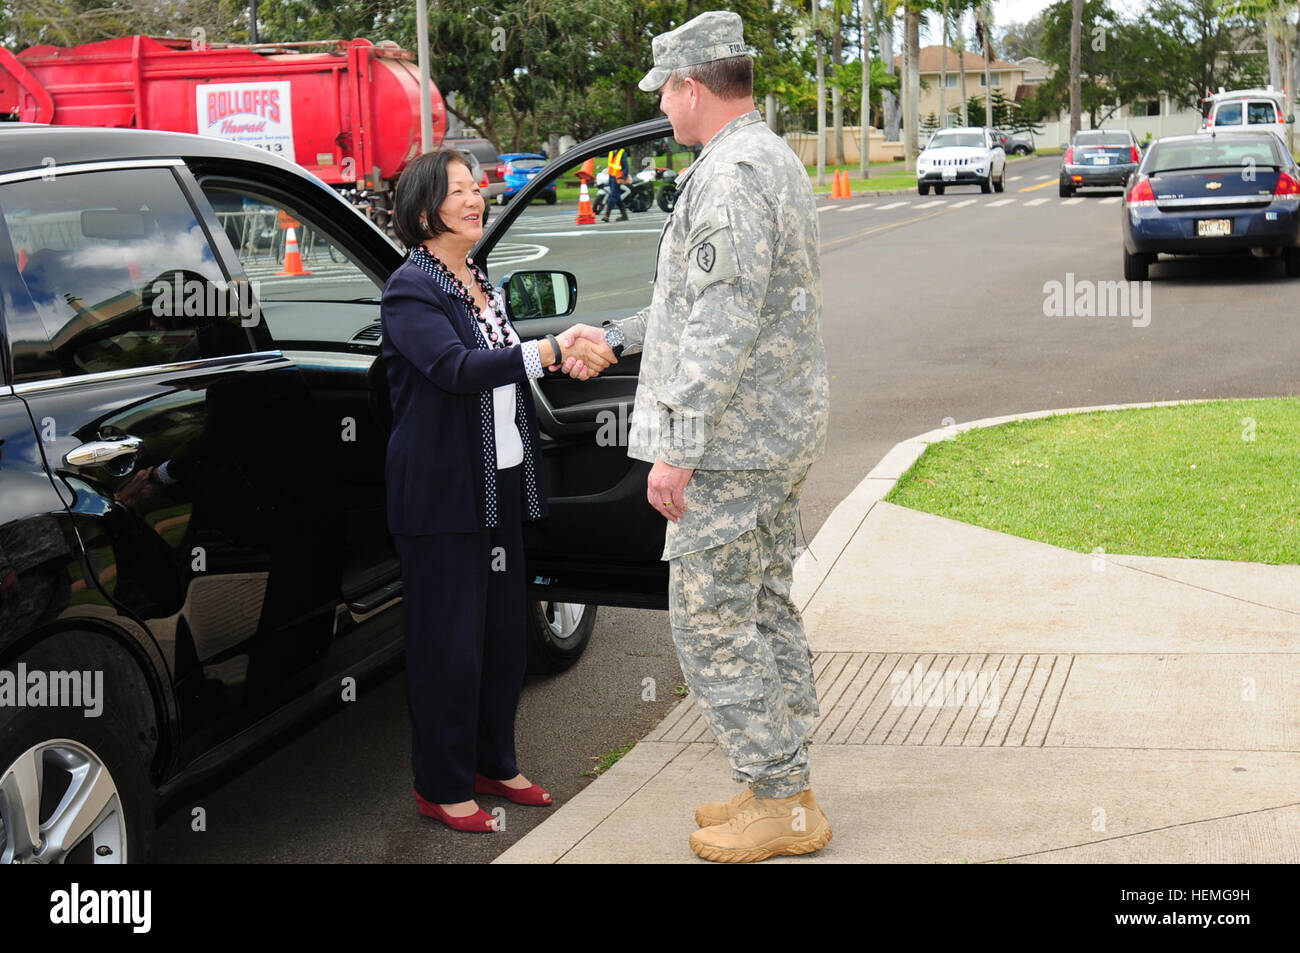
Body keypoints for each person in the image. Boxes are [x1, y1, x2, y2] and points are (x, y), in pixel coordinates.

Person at [601, 10, 833, 862]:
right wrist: (619, 338)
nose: (663, 106)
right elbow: (695, 305)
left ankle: (784, 797)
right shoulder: (760, 158)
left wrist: (678, 448)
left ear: (692, 86)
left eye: (665, 90)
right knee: (763, 604)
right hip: (771, 434)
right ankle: (782, 778)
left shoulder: (730, 176)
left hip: (732, 445)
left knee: (710, 622)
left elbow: (723, 325)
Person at [380, 149, 617, 832]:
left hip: (499, 488)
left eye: (476, 187)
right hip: (443, 498)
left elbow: (504, 358)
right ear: (424, 208)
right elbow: (456, 369)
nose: (475, 197)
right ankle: (443, 783)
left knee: (501, 638)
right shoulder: (411, 288)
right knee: (447, 645)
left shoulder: (476, 277)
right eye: (458, 190)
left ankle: (494, 762)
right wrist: (546, 350)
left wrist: (560, 352)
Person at [603, 147, 629, 222]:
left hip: (618, 178)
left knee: (613, 196)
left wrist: (624, 178)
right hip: (611, 177)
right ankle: (624, 215)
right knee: (617, 197)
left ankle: (607, 215)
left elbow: (626, 167)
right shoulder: (611, 152)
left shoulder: (621, 153)